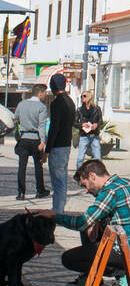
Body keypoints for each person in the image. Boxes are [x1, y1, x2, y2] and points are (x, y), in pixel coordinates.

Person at [39, 158, 130, 286]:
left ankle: (124, 272)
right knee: (90, 224)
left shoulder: (109, 192)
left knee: (69, 258)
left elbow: (82, 222)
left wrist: (54, 216)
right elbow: (94, 218)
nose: (86, 191)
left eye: (85, 185)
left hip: (127, 250)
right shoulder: (124, 182)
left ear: (92, 176)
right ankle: (93, 278)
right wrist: (98, 222)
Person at [45, 72, 76, 214]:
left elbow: (54, 127)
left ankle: (57, 211)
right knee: (62, 178)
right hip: (66, 144)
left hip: (57, 146)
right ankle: (59, 208)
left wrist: (47, 150)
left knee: (58, 181)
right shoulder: (71, 102)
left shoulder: (57, 103)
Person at [13, 84, 50, 201]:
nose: (45, 95)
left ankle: (21, 192)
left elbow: (16, 118)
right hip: (35, 139)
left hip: (23, 138)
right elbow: (42, 125)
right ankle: (40, 190)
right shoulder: (41, 107)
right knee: (38, 166)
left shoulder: (21, 104)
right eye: (45, 93)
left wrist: (20, 131)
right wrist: (43, 141)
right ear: (40, 93)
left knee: (21, 167)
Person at [75, 90, 104, 167]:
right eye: (81, 96)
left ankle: (98, 174)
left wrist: (96, 125)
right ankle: (79, 174)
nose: (82, 98)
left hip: (94, 135)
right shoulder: (79, 109)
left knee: (97, 158)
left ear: (90, 97)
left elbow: (101, 121)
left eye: (84, 96)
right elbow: (74, 122)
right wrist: (82, 125)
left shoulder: (96, 109)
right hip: (84, 135)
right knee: (80, 158)